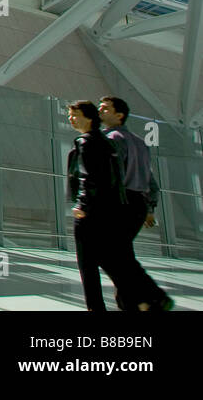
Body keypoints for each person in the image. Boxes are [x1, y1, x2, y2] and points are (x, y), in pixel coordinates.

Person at [66, 100, 144, 311]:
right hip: (115, 208)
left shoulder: (89, 141)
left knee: (89, 263)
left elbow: (88, 176)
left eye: (75, 114)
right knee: (117, 258)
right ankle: (134, 301)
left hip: (92, 211)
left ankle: (99, 307)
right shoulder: (112, 142)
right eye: (69, 115)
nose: (71, 118)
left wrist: (81, 205)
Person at [98, 96, 172, 311]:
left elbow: (115, 176)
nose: (100, 110)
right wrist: (149, 209)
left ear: (119, 115)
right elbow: (150, 181)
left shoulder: (111, 139)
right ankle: (133, 302)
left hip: (121, 203)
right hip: (138, 205)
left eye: (105, 108)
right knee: (121, 255)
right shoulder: (140, 142)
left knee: (112, 255)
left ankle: (152, 296)